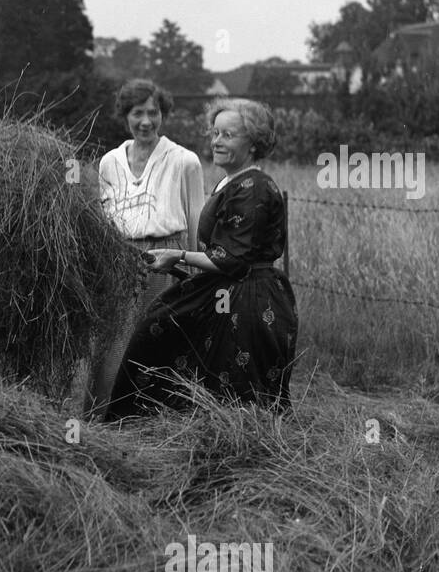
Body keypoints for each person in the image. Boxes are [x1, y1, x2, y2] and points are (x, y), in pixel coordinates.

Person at [110, 97, 298, 416]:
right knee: (159, 331)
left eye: (228, 135)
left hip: (249, 298)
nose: (216, 141)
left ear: (253, 142)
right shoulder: (231, 181)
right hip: (228, 289)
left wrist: (177, 255)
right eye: (214, 133)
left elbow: (231, 258)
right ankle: (146, 423)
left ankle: (235, 448)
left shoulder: (254, 187)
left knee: (238, 395)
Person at [84, 78, 204, 417]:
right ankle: (104, 415)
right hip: (121, 259)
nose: (146, 121)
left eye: (154, 112)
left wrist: (195, 271)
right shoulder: (109, 162)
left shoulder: (184, 161)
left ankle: (153, 418)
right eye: (138, 113)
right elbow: (104, 216)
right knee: (113, 340)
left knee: (158, 339)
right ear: (125, 116)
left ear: (164, 115)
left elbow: (196, 217)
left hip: (166, 260)